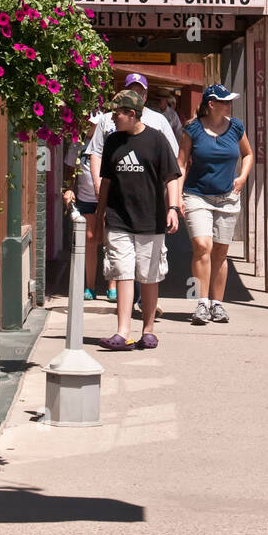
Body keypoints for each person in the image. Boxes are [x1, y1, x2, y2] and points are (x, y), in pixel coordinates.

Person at [94, 90, 181, 351]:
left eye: (117, 113)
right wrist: (100, 213)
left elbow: (172, 177)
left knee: (148, 276)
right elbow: (107, 181)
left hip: (150, 220)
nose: (113, 118)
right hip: (118, 218)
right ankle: (122, 332)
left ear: (132, 114)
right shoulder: (112, 141)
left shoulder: (156, 141)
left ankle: (148, 330)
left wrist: (173, 208)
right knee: (122, 273)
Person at [181, 83, 254, 326]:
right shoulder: (192, 130)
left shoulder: (236, 127)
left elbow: (248, 154)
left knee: (221, 253)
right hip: (196, 195)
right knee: (203, 246)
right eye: (225, 101)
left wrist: (242, 177)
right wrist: (175, 198)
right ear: (211, 104)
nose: (229, 104)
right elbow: (181, 164)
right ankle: (200, 302)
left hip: (228, 197)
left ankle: (217, 304)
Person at [62, 114, 104, 299]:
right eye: (86, 122)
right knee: (89, 240)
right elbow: (71, 172)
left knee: (108, 239)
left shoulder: (107, 143)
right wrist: (69, 189)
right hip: (86, 198)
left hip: (106, 198)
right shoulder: (77, 145)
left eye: (92, 124)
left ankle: (112, 286)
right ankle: (90, 285)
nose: (88, 126)